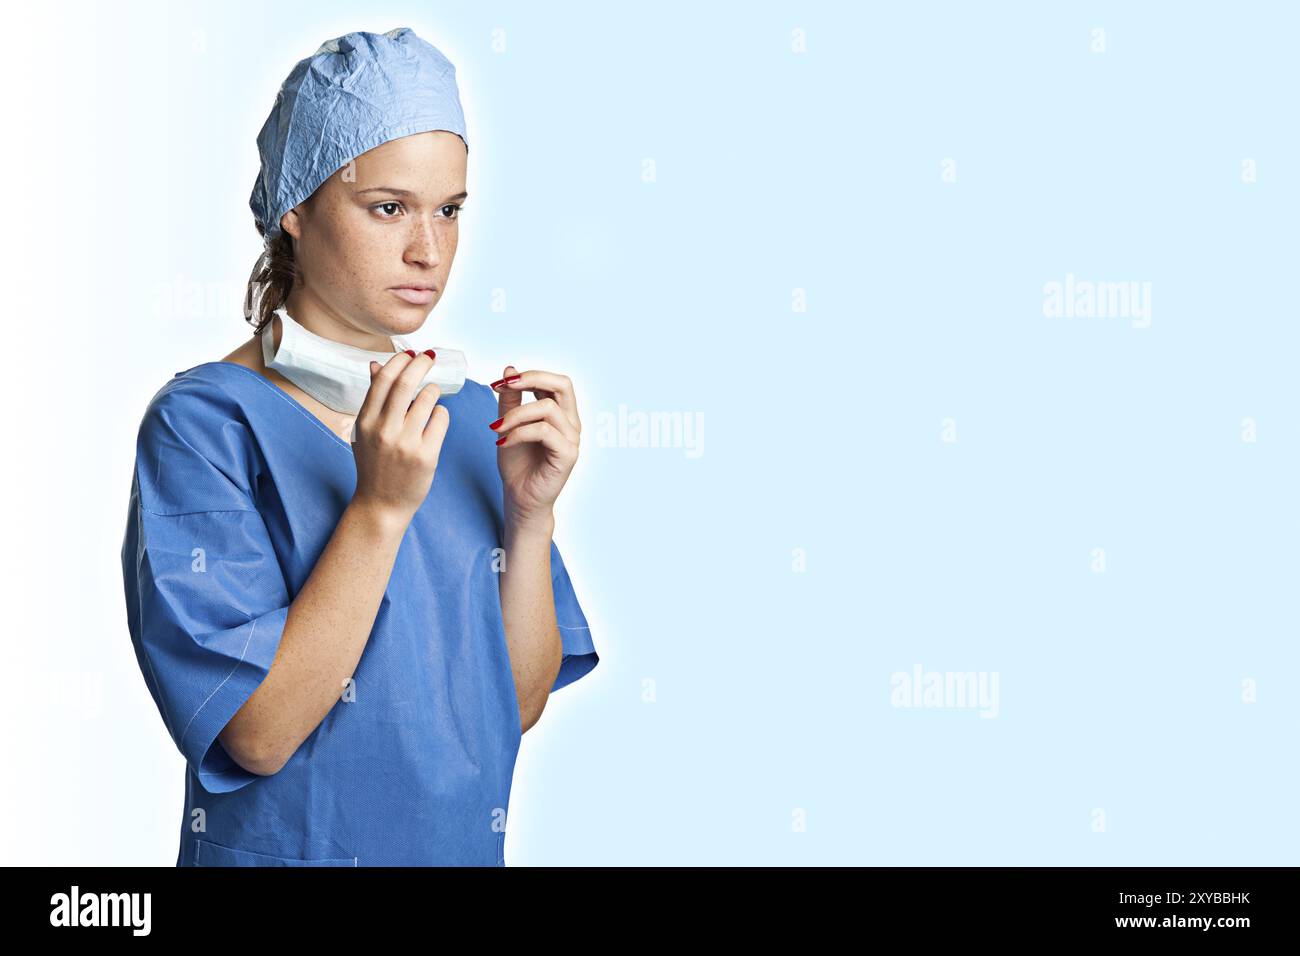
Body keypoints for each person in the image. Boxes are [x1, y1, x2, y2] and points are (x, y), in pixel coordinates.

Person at [120, 27, 598, 867]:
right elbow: (256, 735)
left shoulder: (472, 418)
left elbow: (511, 706)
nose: (429, 251)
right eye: (389, 208)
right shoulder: (206, 426)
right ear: (296, 207)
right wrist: (378, 509)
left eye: (448, 210)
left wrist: (529, 522)